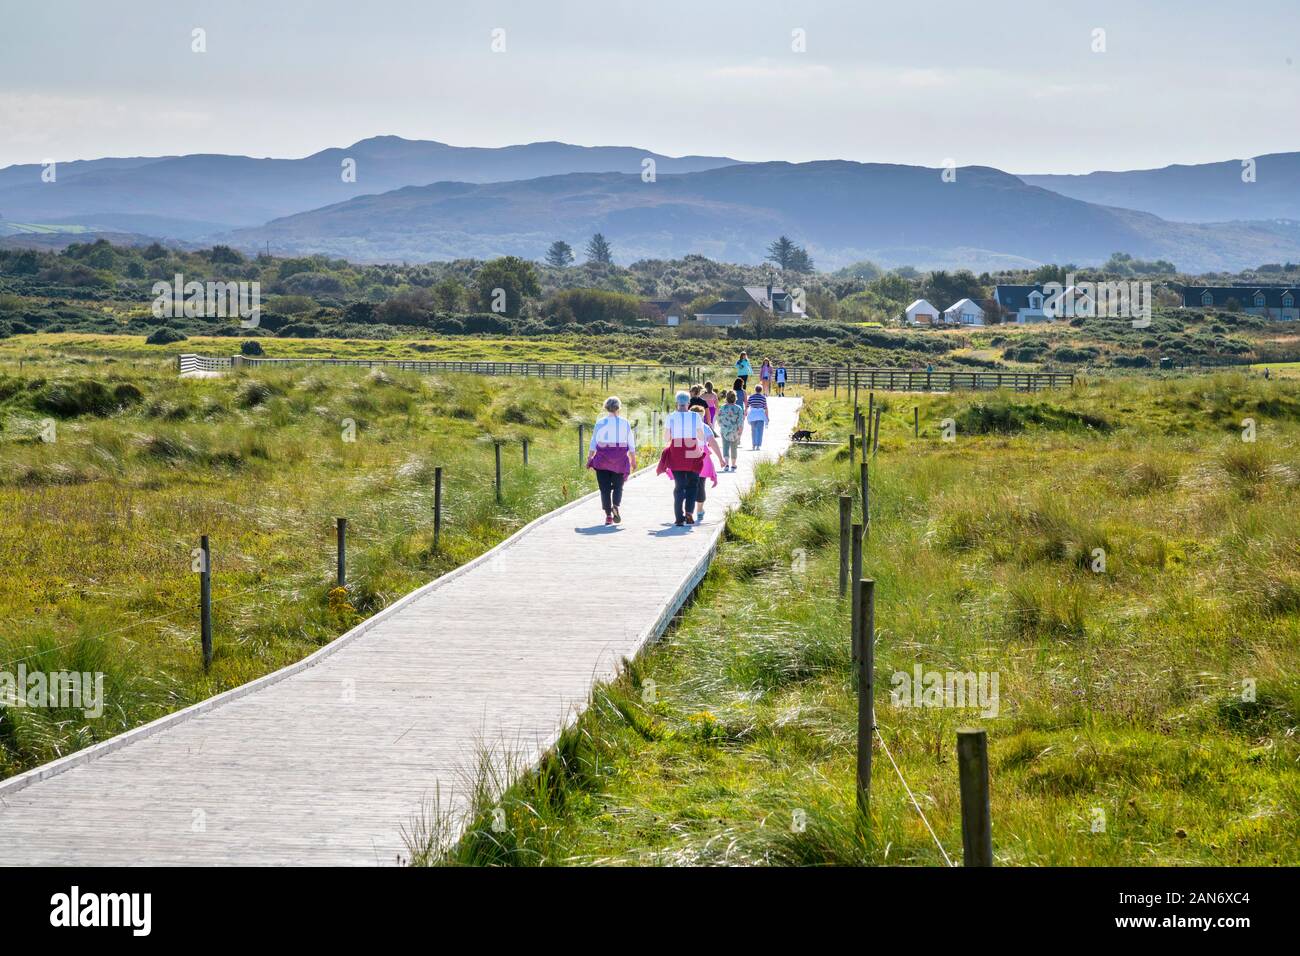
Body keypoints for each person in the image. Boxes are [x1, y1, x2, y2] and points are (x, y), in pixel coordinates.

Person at [657, 391, 721, 526]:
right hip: (692, 451)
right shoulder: (695, 417)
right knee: (693, 485)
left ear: (676, 403)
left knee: (679, 486)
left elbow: (667, 438)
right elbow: (701, 437)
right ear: (688, 403)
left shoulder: (671, 417)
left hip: (677, 451)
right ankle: (689, 514)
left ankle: (679, 518)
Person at [586, 396, 636, 525]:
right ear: (618, 408)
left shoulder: (600, 422)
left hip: (602, 459)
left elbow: (593, 442)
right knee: (618, 486)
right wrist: (633, 459)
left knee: (604, 489)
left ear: (606, 407)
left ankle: (608, 515)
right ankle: (616, 505)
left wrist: (589, 458)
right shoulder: (624, 423)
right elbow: (631, 442)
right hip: (619, 459)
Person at [715, 390, 744, 472]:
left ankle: (727, 464)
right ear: (735, 398)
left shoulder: (723, 407)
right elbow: (740, 421)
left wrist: (721, 425)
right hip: (735, 430)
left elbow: (719, 418)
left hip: (725, 430)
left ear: (726, 398)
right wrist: (740, 430)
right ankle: (733, 464)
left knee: (725, 446)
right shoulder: (738, 408)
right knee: (734, 447)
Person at [746, 384, 770, 450]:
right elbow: (765, 408)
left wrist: (745, 413)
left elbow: (747, 406)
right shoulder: (763, 398)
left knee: (753, 431)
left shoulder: (751, 397)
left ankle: (753, 444)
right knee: (760, 431)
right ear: (761, 390)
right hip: (760, 415)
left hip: (753, 415)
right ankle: (758, 445)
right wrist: (767, 417)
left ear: (755, 390)